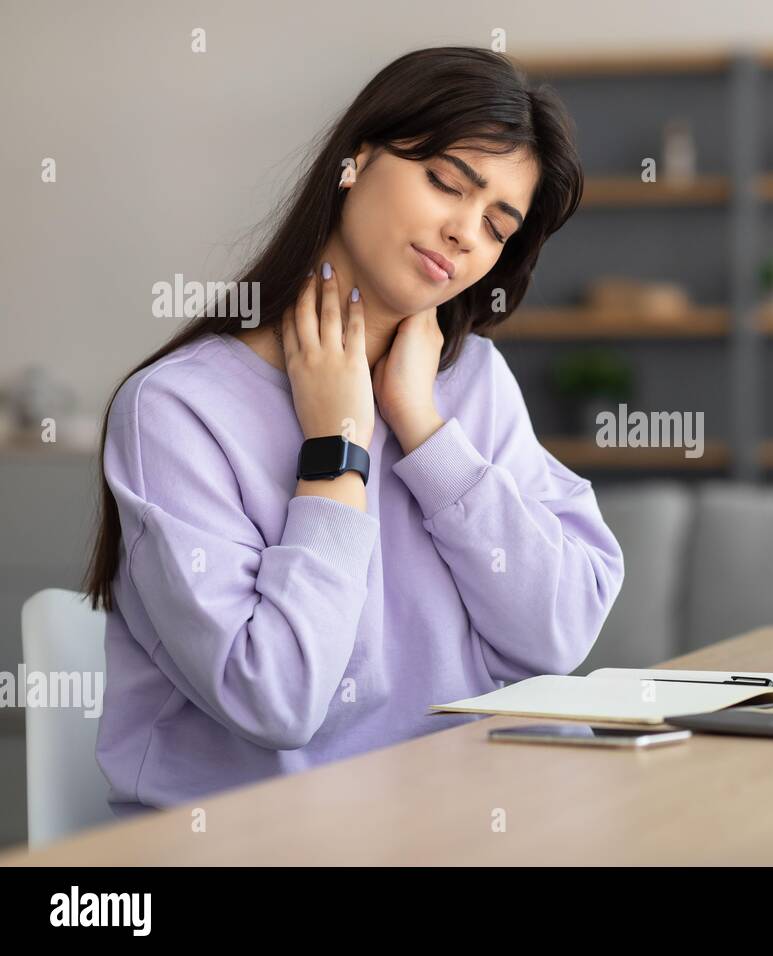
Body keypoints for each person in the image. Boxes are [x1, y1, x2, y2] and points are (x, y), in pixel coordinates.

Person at [83, 47, 625, 816]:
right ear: (356, 160)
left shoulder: (471, 386)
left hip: (458, 827)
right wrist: (337, 448)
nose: (465, 232)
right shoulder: (175, 411)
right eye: (446, 182)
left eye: (498, 226)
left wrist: (425, 431)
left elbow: (557, 633)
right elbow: (277, 700)